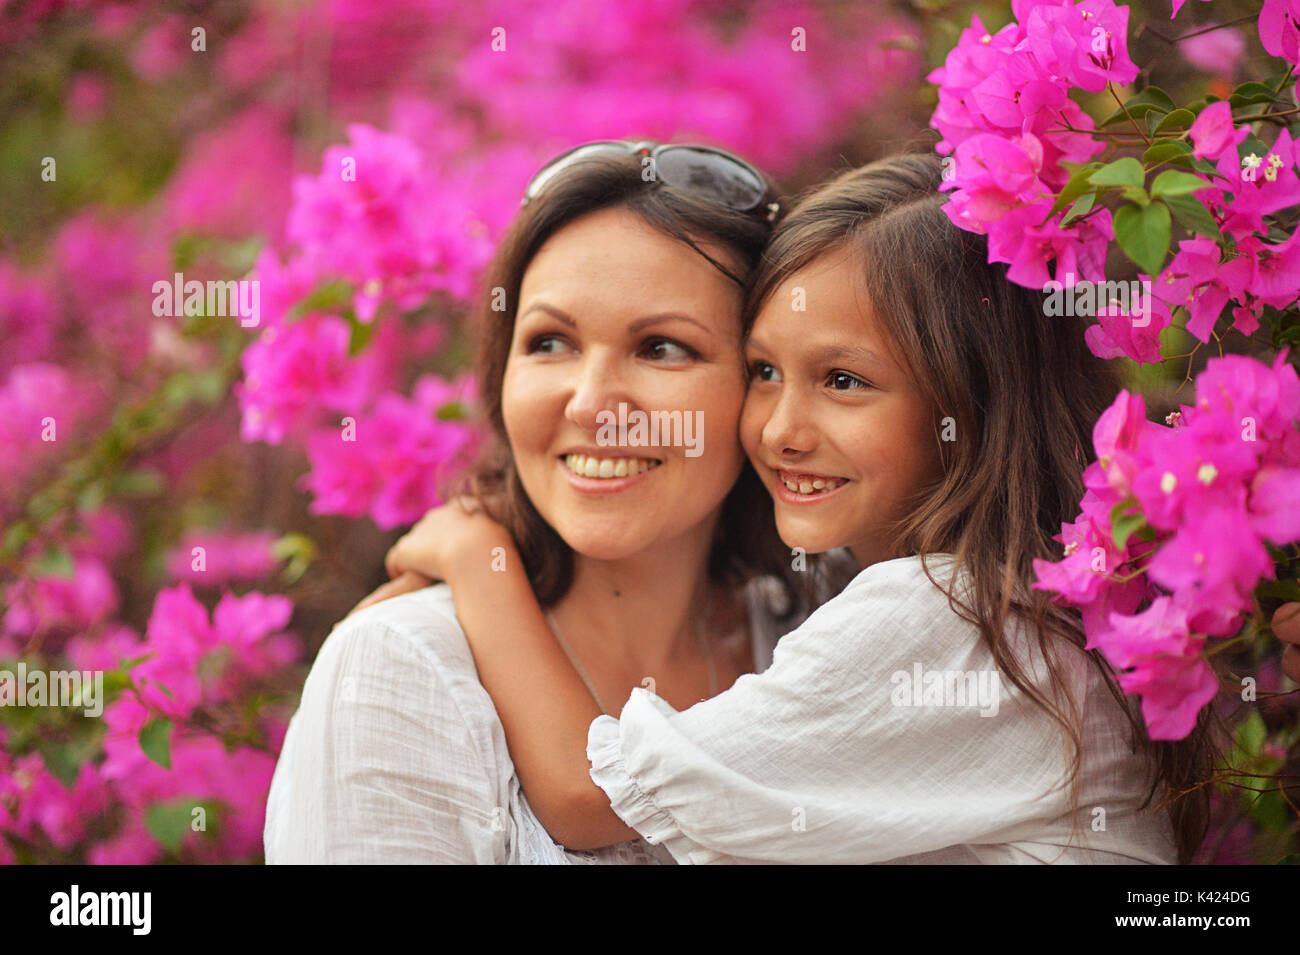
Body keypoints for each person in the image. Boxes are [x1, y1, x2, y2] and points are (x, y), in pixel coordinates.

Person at [378, 152, 1220, 864]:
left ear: (972, 402)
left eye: (843, 381)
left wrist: (470, 552)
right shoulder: (1023, 602)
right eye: (764, 372)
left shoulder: (944, 612)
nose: (780, 428)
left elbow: (589, 795)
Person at [263, 141, 850, 863]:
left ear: (767, 382)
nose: (595, 403)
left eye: (663, 348)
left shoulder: (814, 630)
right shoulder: (402, 670)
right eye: (550, 342)